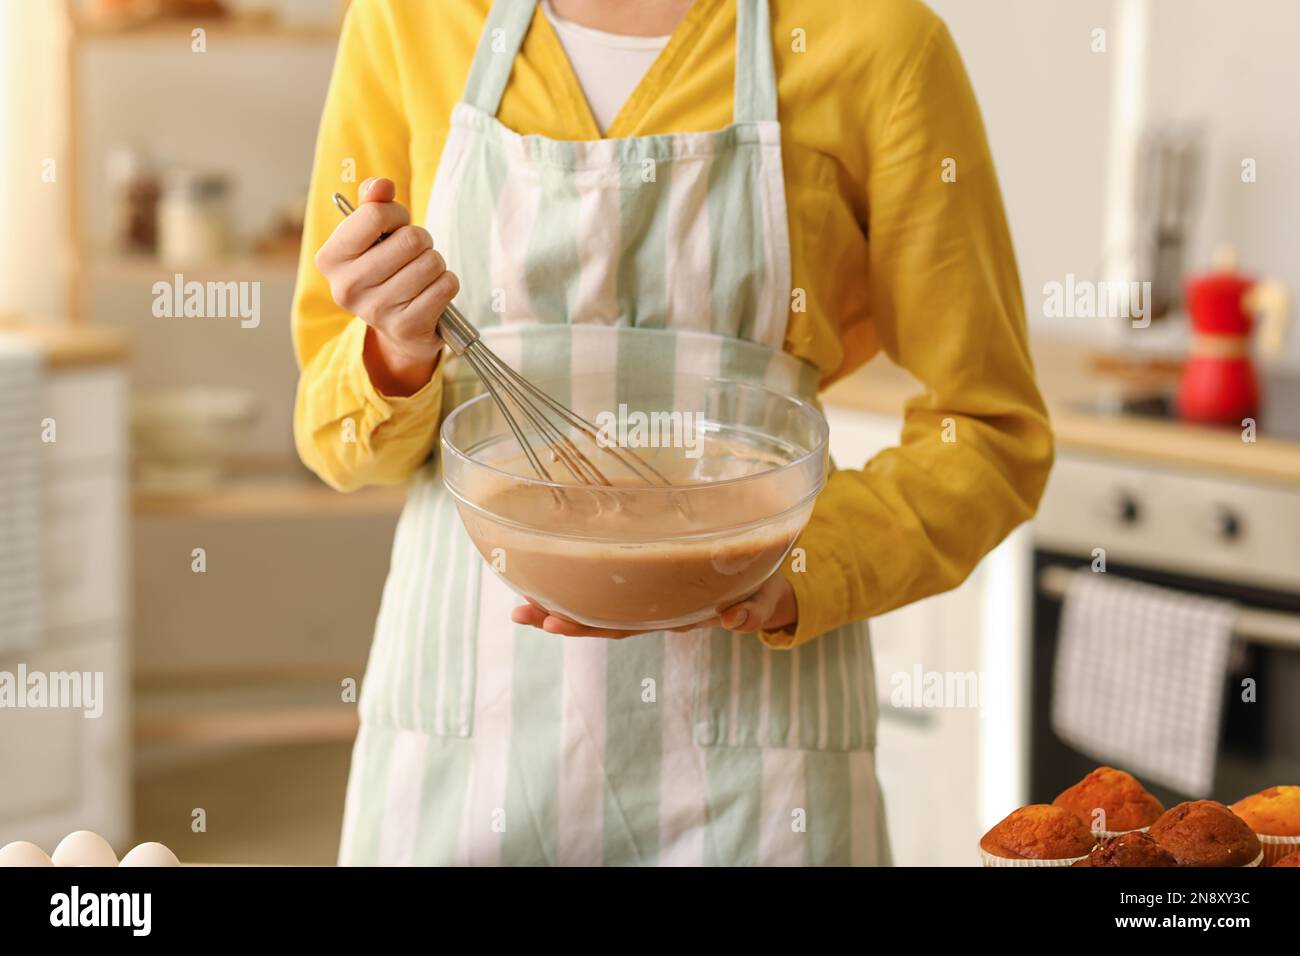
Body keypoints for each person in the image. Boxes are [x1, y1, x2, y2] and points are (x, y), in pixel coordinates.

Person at [292, 0, 1053, 865]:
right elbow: (331, 434)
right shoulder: (407, 19)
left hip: (759, 764)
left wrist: (796, 569)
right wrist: (394, 349)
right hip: (467, 723)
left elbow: (991, 431)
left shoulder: (879, 39)